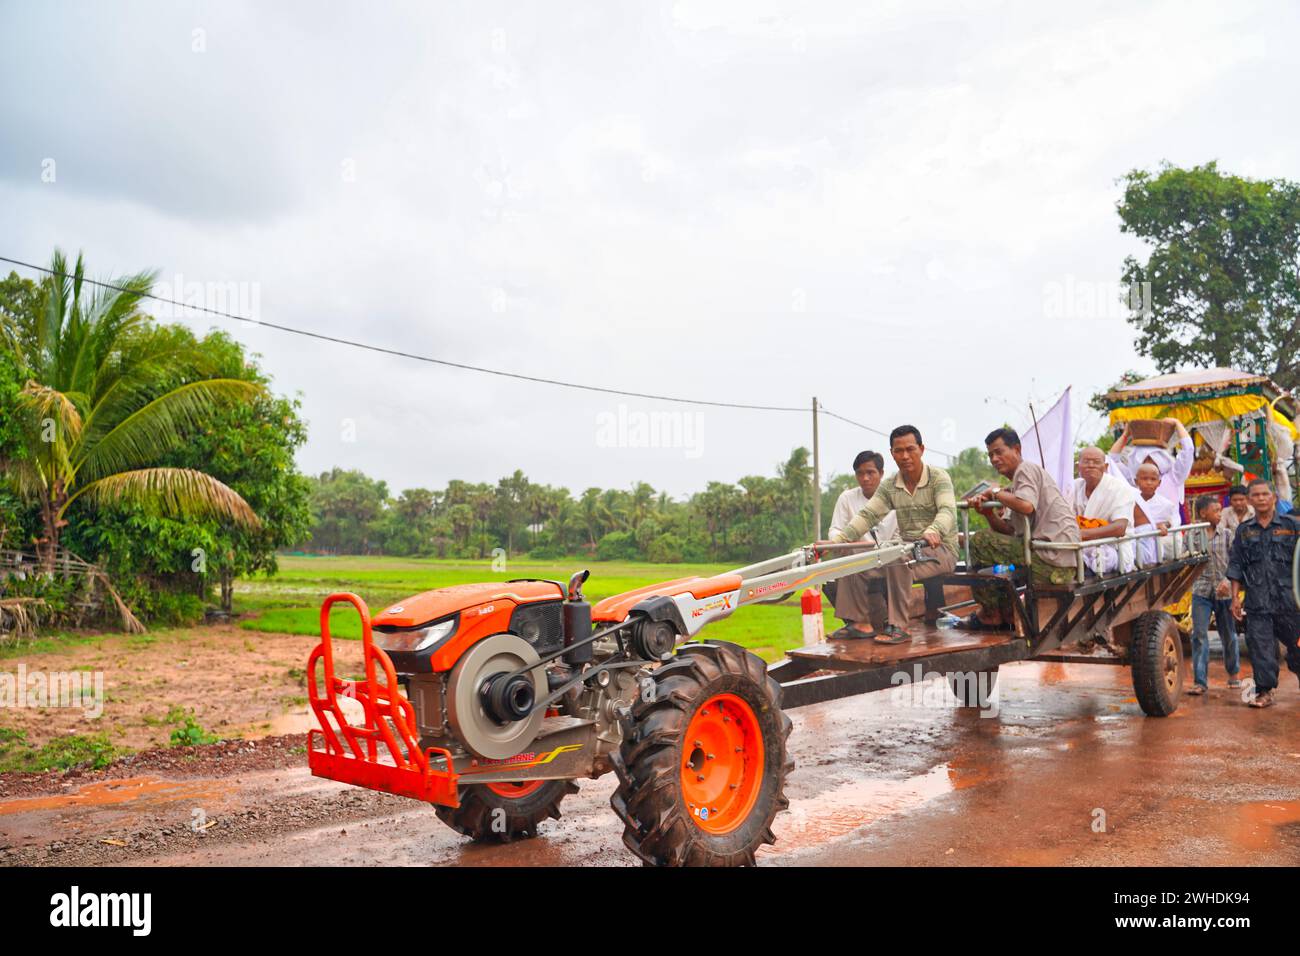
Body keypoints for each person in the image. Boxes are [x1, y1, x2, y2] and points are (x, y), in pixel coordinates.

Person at [828, 425, 958, 645]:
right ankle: (859, 622)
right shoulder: (890, 485)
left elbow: (947, 511)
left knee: (897, 557)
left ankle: (898, 626)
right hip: (908, 549)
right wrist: (839, 541)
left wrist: (934, 530)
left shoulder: (938, 478)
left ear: (922, 449)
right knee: (853, 554)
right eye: (899, 451)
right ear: (892, 454)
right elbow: (868, 515)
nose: (905, 456)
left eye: (910, 449)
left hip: (940, 550)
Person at [958, 428, 1081, 629]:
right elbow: (1009, 532)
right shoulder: (1014, 486)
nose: (994, 459)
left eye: (999, 452)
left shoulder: (1026, 470)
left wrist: (994, 492)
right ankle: (1005, 611)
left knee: (979, 541)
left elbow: (1026, 505)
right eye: (990, 455)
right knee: (995, 568)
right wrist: (988, 513)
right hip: (1043, 561)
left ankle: (991, 613)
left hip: (1051, 562)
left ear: (1016, 449)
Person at [1226, 478, 1300, 709]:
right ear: (1249, 500)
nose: (1260, 498)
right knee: (1261, 648)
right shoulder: (1245, 531)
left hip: (1290, 601)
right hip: (1258, 602)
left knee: (1298, 646)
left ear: (1274, 498)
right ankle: (1265, 691)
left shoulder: (1292, 526)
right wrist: (1235, 597)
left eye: (1265, 494)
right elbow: (1237, 564)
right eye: (1255, 495)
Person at [825, 450, 898, 639]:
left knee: (854, 555)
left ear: (881, 474)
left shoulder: (895, 500)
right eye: (860, 473)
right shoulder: (847, 498)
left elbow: (899, 539)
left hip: (886, 559)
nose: (865, 478)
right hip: (855, 556)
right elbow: (835, 530)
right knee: (849, 554)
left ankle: (862, 623)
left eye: (870, 473)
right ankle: (858, 622)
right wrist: (841, 541)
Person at [1187, 494, 1241, 695]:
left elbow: (1235, 562)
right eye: (1216, 510)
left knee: (1228, 635)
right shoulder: (1191, 536)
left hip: (1224, 594)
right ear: (1203, 513)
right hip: (1200, 592)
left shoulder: (1227, 534)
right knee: (1199, 635)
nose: (1220, 514)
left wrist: (1228, 582)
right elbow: (1187, 562)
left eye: (1220, 510)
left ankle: (1234, 674)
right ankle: (1200, 681)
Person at [1072, 446, 1135, 574]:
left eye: (1096, 462)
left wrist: (1082, 534)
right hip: (1078, 545)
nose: (1091, 465)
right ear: (1078, 467)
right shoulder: (1074, 486)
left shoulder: (1120, 489)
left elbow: (1120, 528)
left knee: (1099, 557)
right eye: (1086, 461)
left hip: (1112, 548)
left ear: (1105, 467)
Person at [1109, 417, 1194, 506]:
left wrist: (1177, 423)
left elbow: (1188, 450)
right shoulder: (1132, 480)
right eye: (1144, 458)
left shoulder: (1173, 477)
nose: (1148, 462)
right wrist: (1125, 435)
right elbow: (1111, 461)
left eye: (1152, 458)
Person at [1131, 461, 1180, 566]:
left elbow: (1172, 523)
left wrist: (1163, 525)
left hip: (1157, 551)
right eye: (1144, 478)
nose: (1149, 482)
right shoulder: (1130, 501)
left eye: (1153, 479)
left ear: (1159, 482)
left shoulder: (1166, 504)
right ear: (1136, 481)